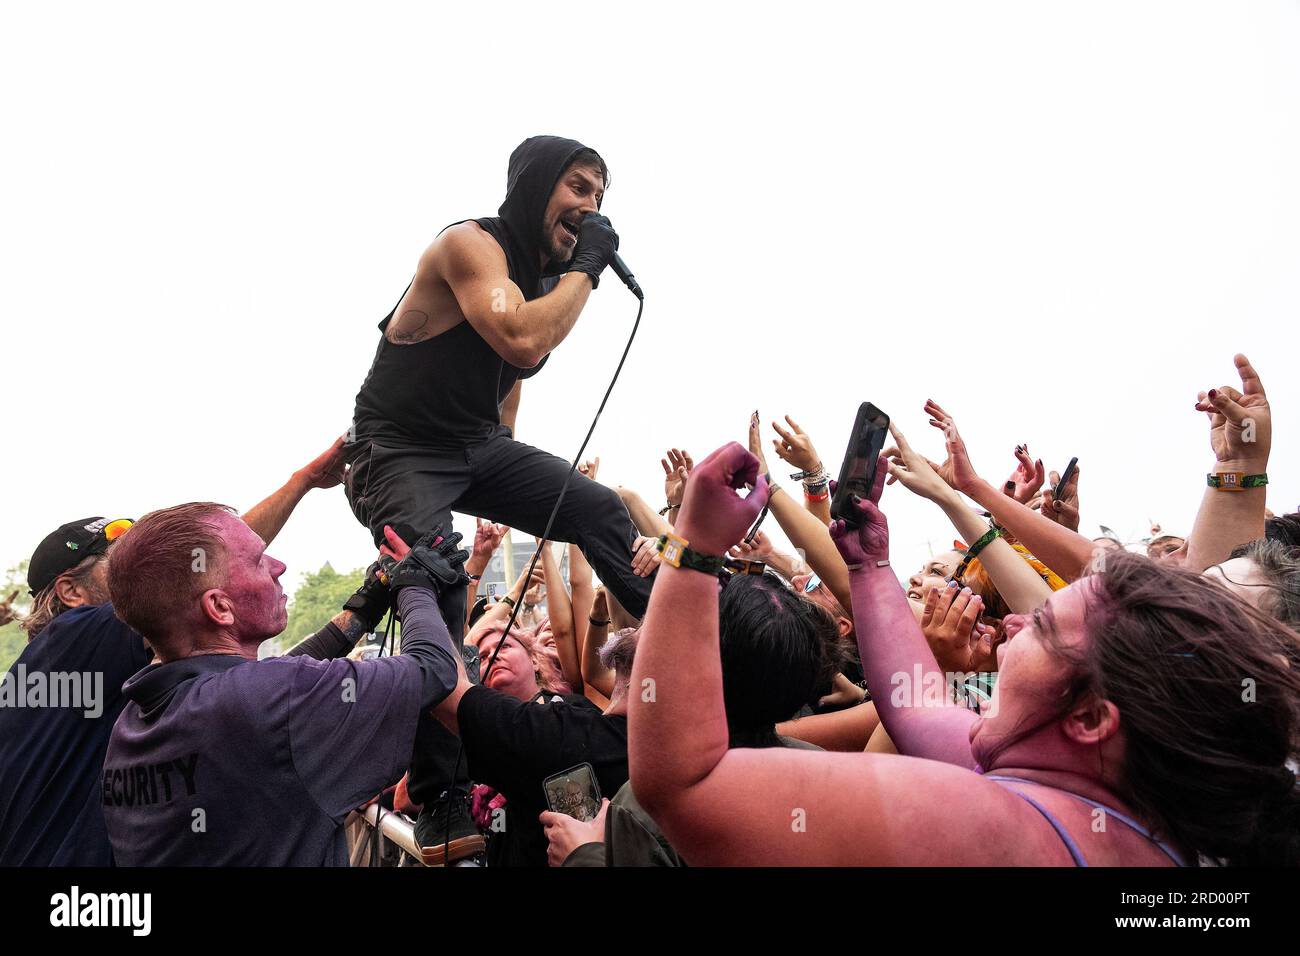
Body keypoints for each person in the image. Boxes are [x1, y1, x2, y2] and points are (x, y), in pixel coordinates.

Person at [628, 441, 1300, 866]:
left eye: (1041, 628)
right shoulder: (1131, 808)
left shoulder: (1000, 832)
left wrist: (693, 551)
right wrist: (871, 569)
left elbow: (686, 789)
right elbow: (919, 708)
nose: (1012, 627)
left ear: (1093, 719)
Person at [344, 135, 652, 858]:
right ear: (535, 184)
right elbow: (517, 339)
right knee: (436, 575)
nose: (590, 206)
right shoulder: (469, 245)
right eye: (578, 187)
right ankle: (440, 790)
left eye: (601, 196)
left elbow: (509, 378)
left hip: (473, 442)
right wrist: (587, 269)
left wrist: (505, 467)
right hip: (398, 444)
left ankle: (693, 638)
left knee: (599, 508)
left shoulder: (543, 279)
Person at [0, 439, 347, 866]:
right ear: (71, 591)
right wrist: (304, 481)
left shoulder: (73, 672)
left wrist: (353, 619)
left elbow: (253, 687)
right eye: (119, 560)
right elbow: (208, 566)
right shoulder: (73, 640)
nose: (141, 572)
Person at [99, 504, 470, 866]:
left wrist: (367, 604)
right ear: (220, 607)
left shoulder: (134, 721)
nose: (279, 566)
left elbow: (274, 678)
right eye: (259, 560)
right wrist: (416, 585)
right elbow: (433, 667)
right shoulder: (268, 698)